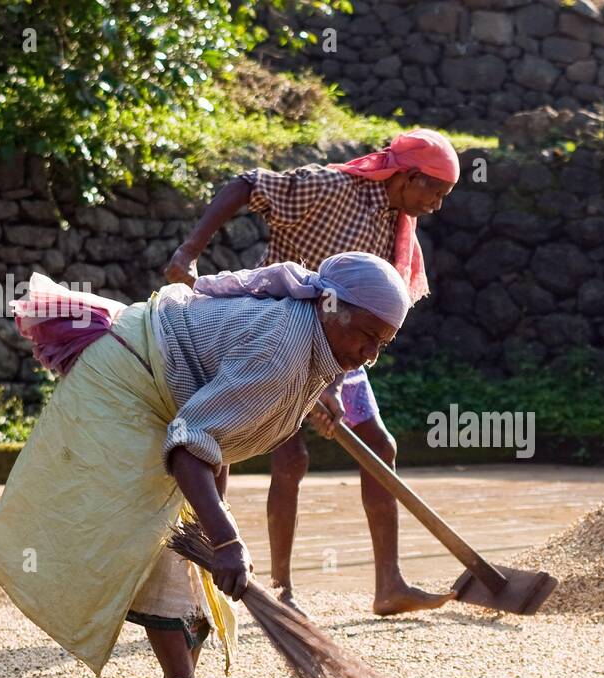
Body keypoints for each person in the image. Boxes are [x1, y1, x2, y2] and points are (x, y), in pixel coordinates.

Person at [0, 253, 411, 678]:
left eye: (384, 344)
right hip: (128, 384)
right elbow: (187, 446)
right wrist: (226, 540)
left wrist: (312, 399)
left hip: (168, 394)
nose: (371, 354)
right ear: (334, 309)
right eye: (369, 336)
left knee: (196, 558)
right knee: (168, 554)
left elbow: (218, 411)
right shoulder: (284, 346)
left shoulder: (313, 341)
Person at [165, 129, 459, 617]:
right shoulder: (329, 187)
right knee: (288, 452)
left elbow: (367, 315)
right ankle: (279, 588)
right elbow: (246, 184)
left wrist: (332, 385)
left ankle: (389, 584)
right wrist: (189, 251)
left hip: (345, 346)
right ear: (408, 177)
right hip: (279, 336)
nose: (437, 206)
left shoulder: (395, 224)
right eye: (436, 193)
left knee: (379, 446)